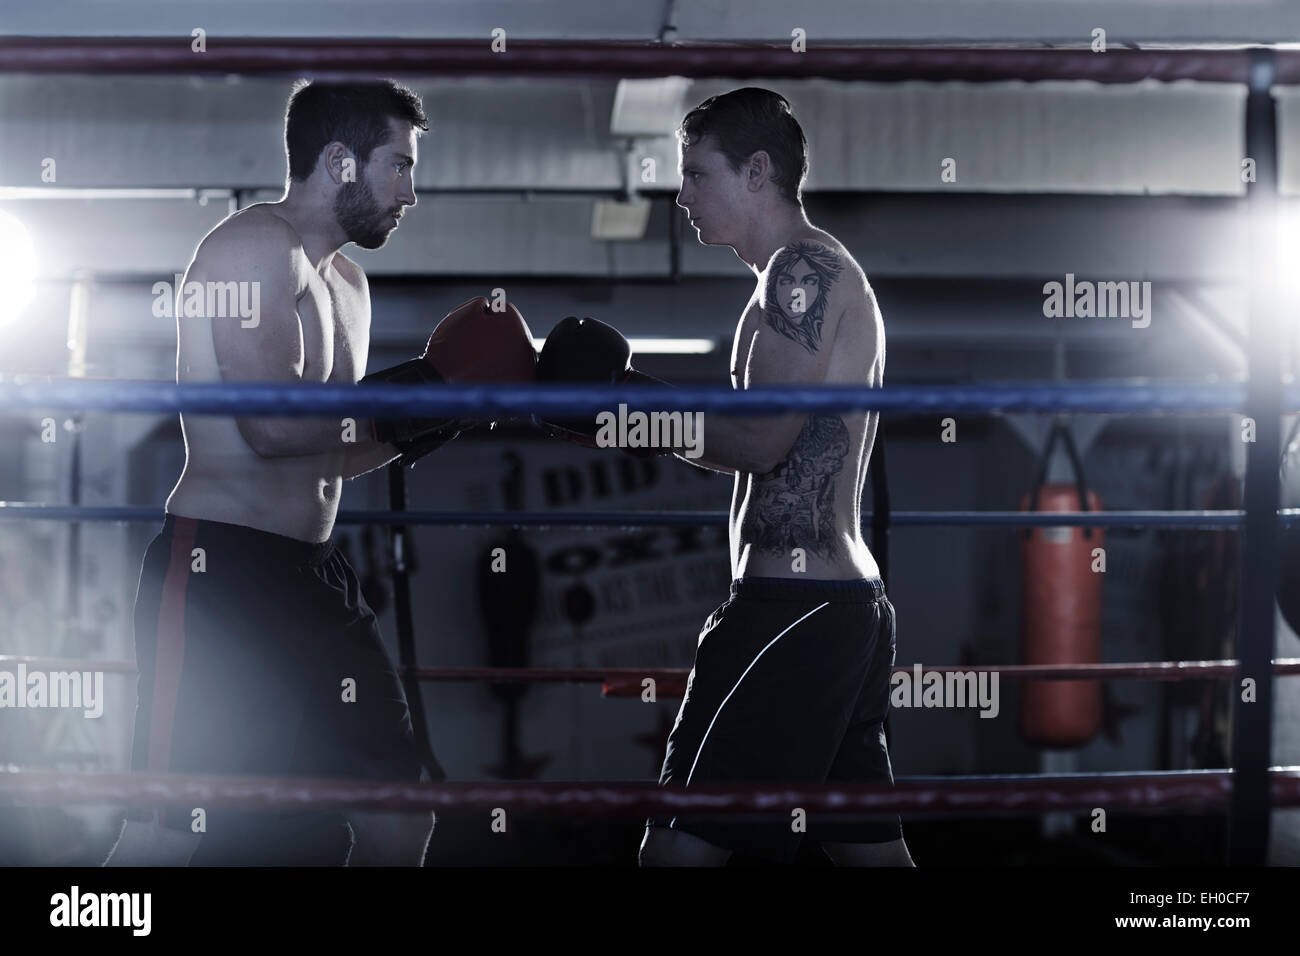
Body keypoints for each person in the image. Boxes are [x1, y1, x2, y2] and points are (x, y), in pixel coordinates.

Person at [105, 80, 536, 866]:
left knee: (399, 817)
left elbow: (332, 447)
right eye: (398, 167)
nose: (411, 190)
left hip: (316, 578)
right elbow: (270, 427)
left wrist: (440, 416)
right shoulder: (248, 248)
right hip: (219, 573)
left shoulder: (350, 287)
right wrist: (425, 392)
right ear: (339, 161)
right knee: (160, 843)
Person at [534, 88, 913, 866]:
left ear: (757, 172)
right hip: (834, 609)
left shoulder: (802, 270)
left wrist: (628, 401)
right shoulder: (792, 276)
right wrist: (627, 414)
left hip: (796, 606)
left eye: (697, 175)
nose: (682, 196)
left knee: (674, 854)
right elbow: (750, 441)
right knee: (871, 858)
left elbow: (762, 443)